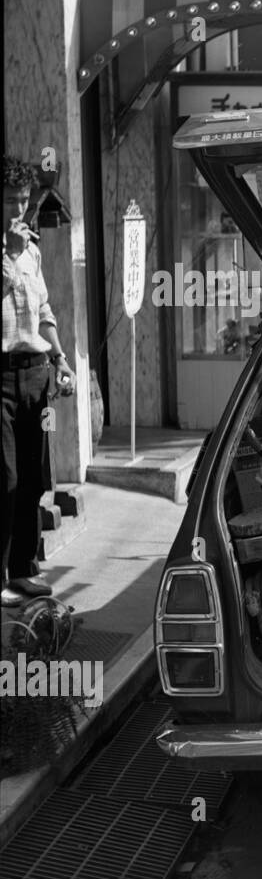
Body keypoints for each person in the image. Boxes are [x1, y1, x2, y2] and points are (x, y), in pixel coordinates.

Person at [3, 162, 75, 608]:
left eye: (24, 200)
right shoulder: (12, 250)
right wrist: (7, 256)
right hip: (1, 375)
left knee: (32, 477)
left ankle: (24, 570)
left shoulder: (31, 249)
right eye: (10, 200)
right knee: (5, 478)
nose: (18, 208)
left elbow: (44, 311)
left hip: (36, 373)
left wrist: (61, 358)